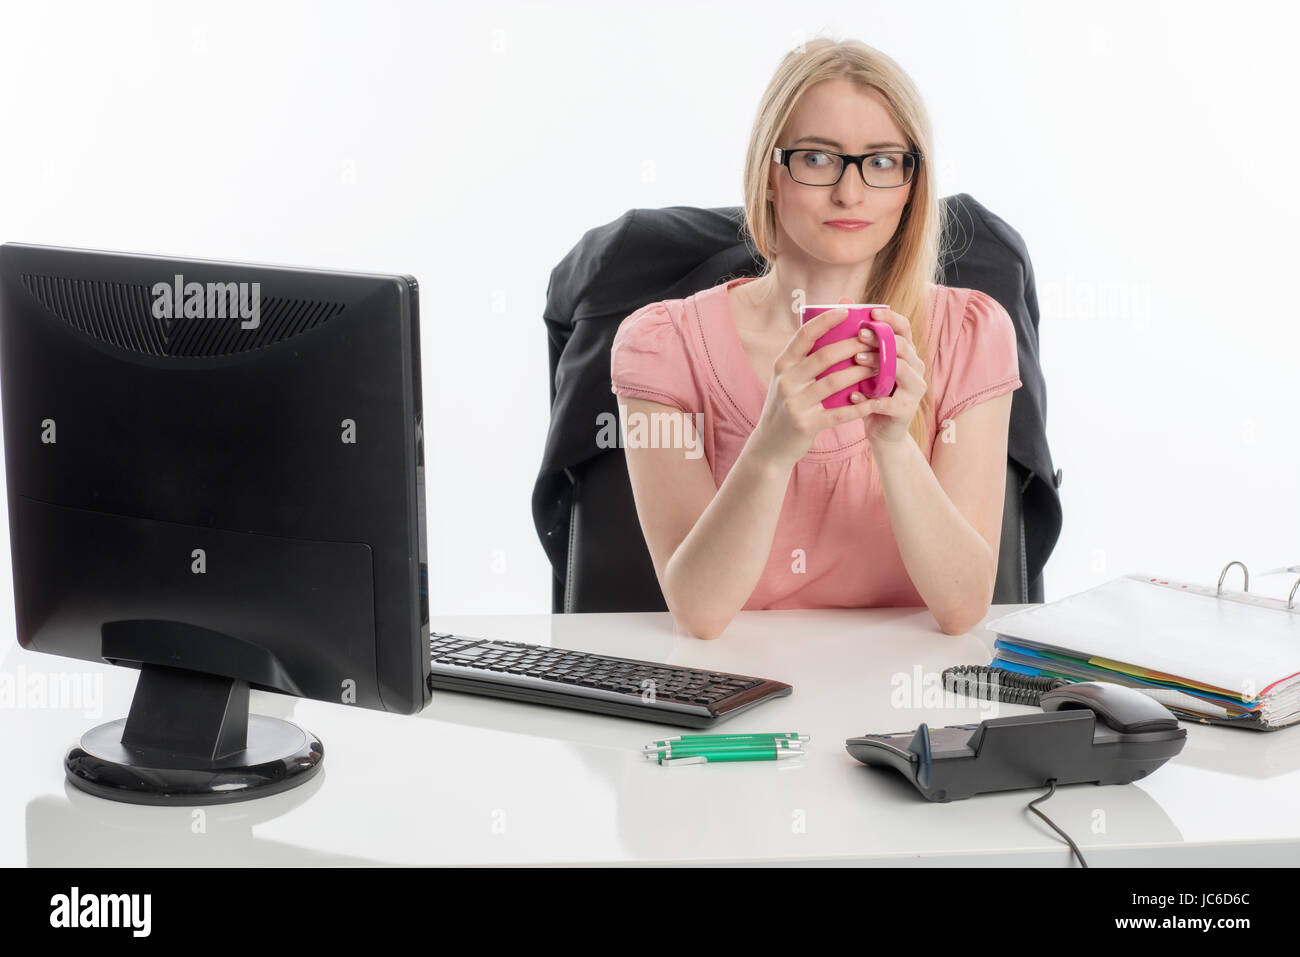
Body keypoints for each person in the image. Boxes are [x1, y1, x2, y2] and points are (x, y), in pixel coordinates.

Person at [610, 38, 1021, 638]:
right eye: (817, 159)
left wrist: (894, 443)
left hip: (907, 701)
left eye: (881, 162)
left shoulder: (972, 333)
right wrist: (772, 448)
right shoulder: (662, 346)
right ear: (770, 175)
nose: (849, 193)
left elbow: (961, 608)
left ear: (911, 185)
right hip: (741, 695)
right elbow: (699, 613)